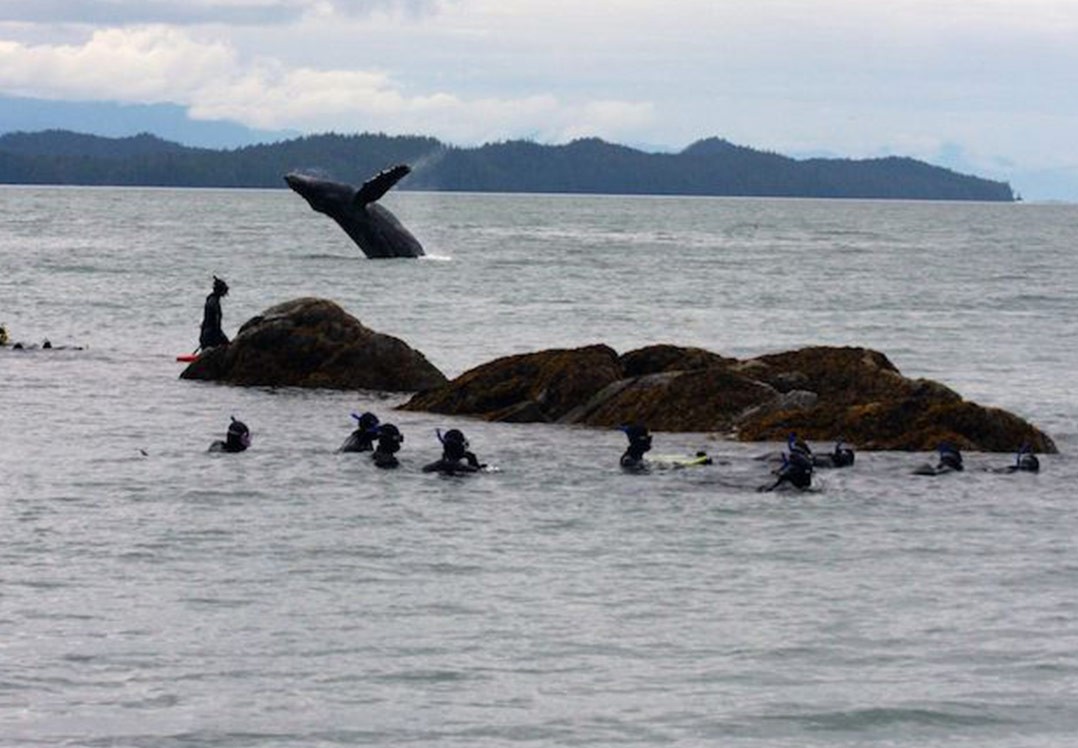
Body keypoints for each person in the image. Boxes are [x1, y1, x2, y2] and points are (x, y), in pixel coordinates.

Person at [199, 275, 230, 351]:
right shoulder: (214, 303)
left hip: (204, 335)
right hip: (211, 337)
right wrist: (222, 338)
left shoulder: (210, 299)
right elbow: (216, 324)